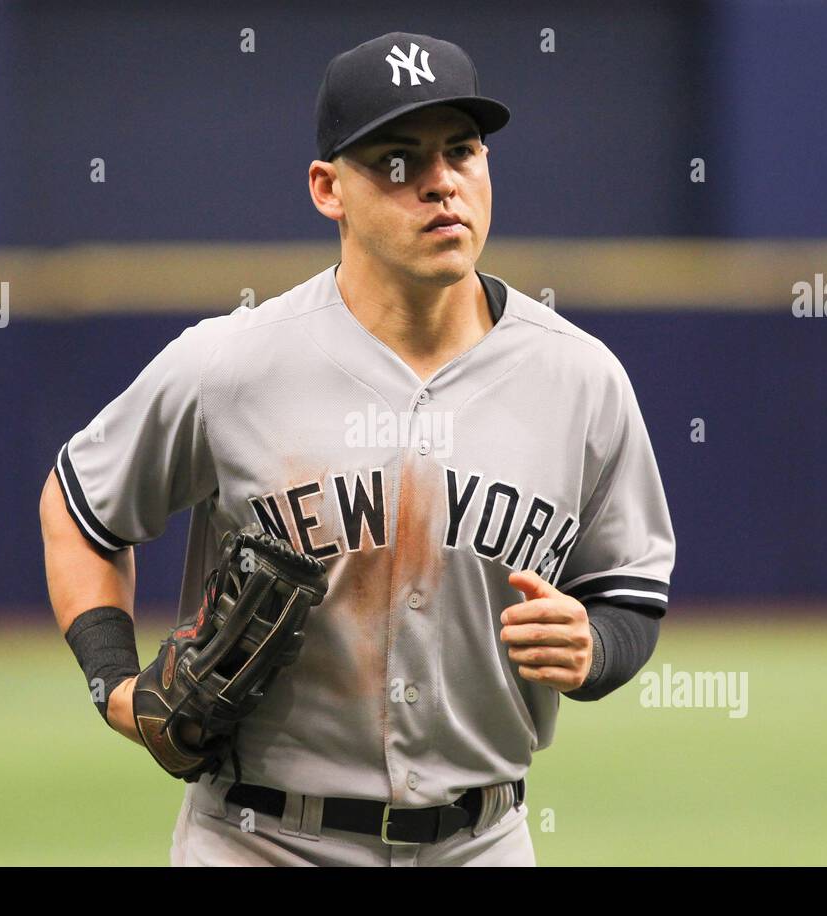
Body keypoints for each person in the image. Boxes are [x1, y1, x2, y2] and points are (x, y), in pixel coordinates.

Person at [39, 31, 675, 867]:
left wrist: (596, 648)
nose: (441, 182)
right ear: (327, 188)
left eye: (463, 150)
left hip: (482, 842)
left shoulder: (580, 378)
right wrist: (112, 682)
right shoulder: (232, 364)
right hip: (260, 841)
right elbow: (79, 504)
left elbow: (630, 594)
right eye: (399, 160)